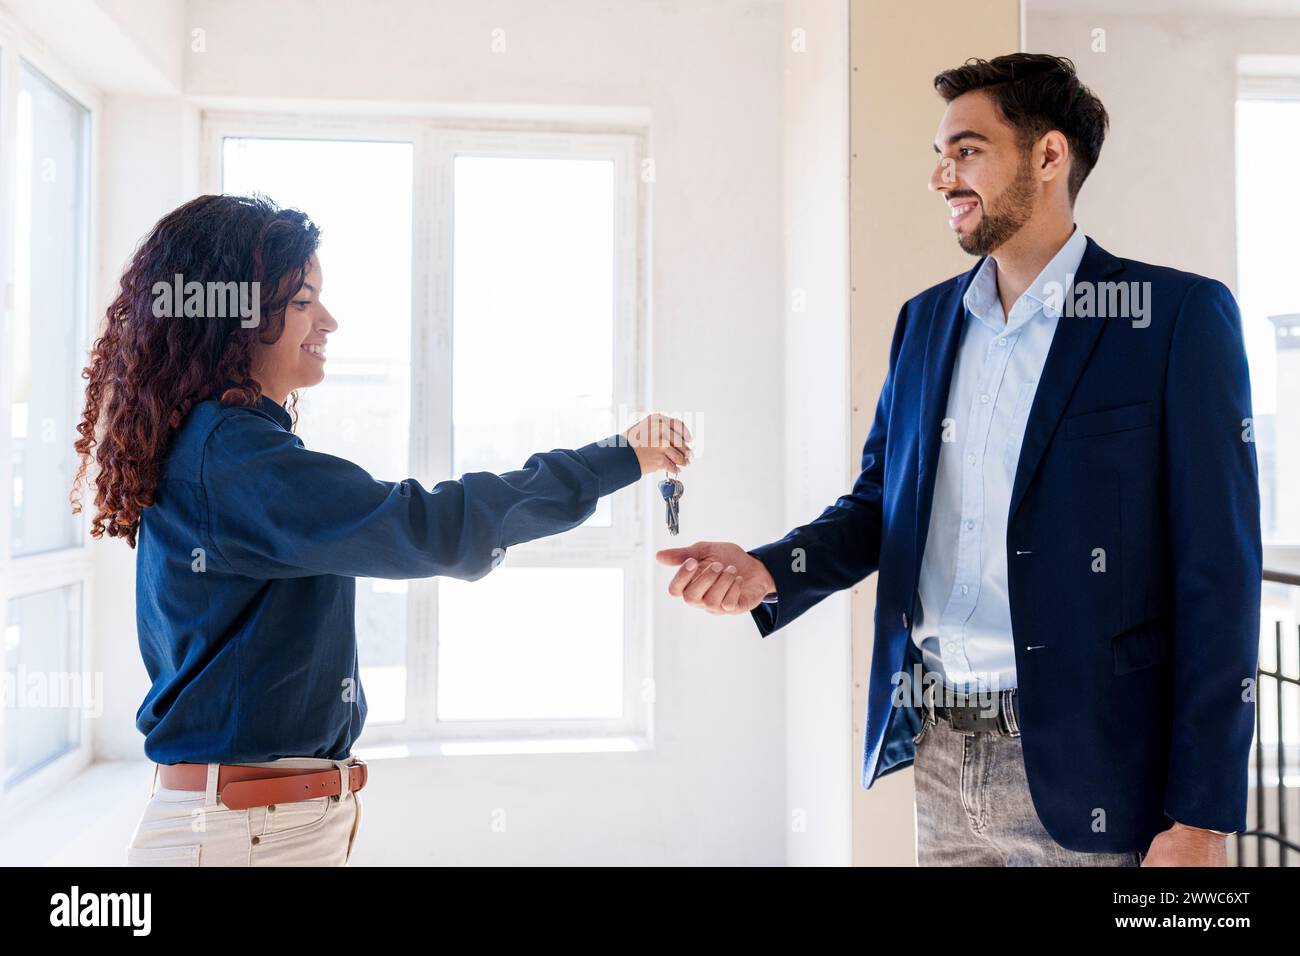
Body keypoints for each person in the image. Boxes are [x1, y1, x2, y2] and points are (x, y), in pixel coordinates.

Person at [658, 53, 1260, 867]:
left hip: (1102, 775)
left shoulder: (1174, 317)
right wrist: (771, 569)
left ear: (1049, 157)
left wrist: (1200, 820)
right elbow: (881, 507)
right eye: (940, 155)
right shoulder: (926, 322)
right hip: (941, 760)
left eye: (967, 150)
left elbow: (1219, 578)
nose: (942, 177)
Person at [72, 193, 691, 866]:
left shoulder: (221, 445)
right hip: (243, 832)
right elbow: (429, 526)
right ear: (236, 317)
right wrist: (620, 457)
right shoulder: (231, 458)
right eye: (304, 300)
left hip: (255, 823)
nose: (328, 321)